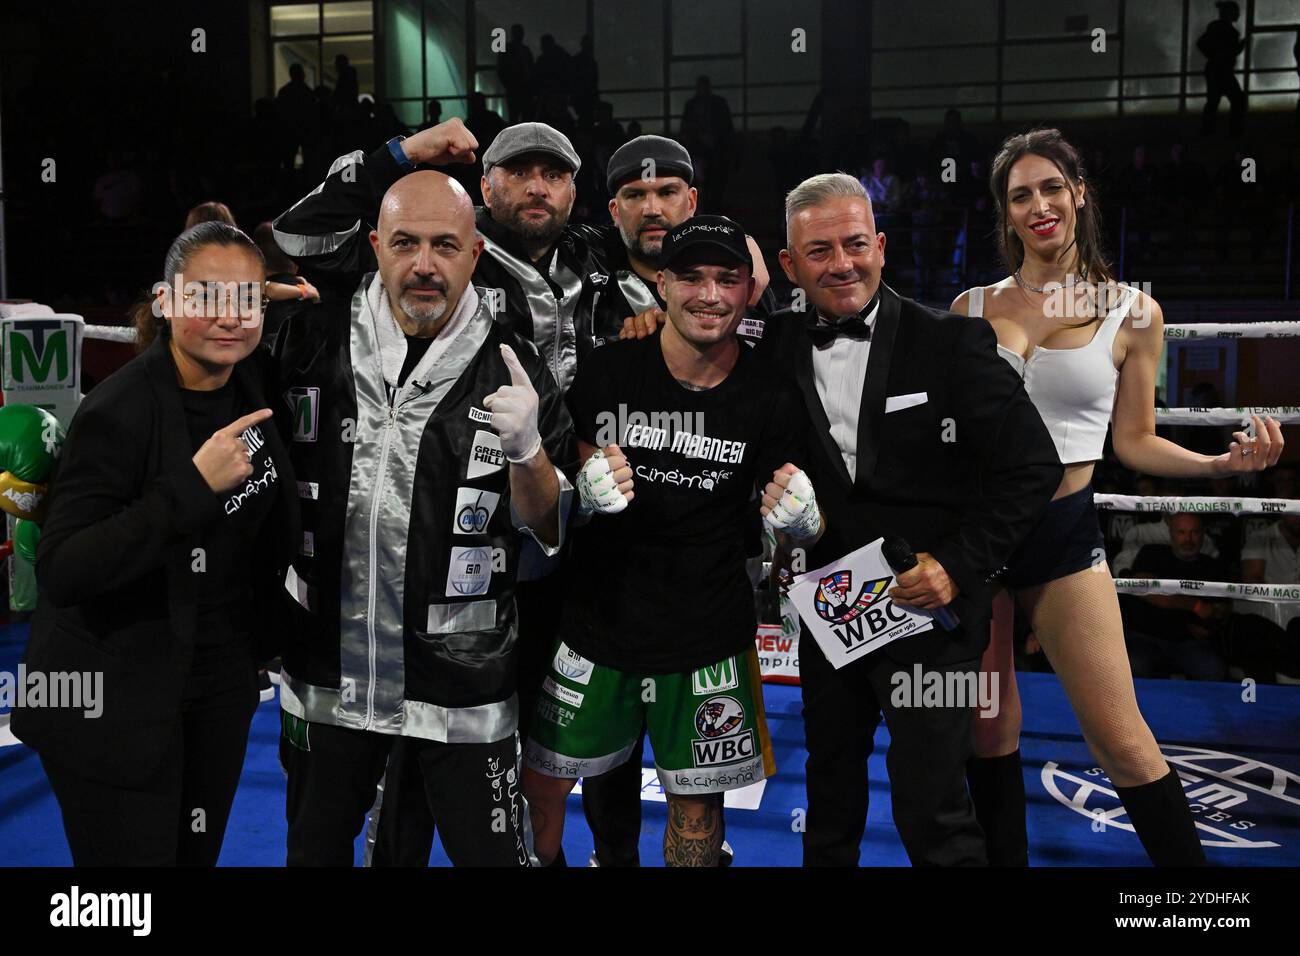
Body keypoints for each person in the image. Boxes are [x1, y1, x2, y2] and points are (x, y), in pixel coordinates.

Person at [952, 127, 1285, 866]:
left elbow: (1132, 443)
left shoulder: (1133, 311)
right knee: (986, 730)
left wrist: (1219, 465)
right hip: (977, 539)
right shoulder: (969, 308)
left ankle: (1196, 910)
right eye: (1019, 195)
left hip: (1063, 535)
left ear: (1078, 195)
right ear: (1005, 214)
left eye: (1049, 188)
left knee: (1123, 740)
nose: (1038, 205)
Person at [269, 122, 576, 867]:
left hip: (462, 679)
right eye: (405, 243)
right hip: (325, 669)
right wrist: (403, 154)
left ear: (476, 254)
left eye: (445, 246)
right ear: (375, 247)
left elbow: (552, 526)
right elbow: (288, 233)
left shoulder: (514, 364)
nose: (425, 265)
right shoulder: (311, 337)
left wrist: (529, 452)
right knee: (314, 853)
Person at [761, 173, 1063, 866]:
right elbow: (697, 336)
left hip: (933, 618)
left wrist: (957, 567)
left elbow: (1033, 468)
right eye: (819, 251)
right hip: (831, 608)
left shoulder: (951, 341)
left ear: (882, 246)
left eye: (856, 243)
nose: (841, 263)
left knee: (933, 805)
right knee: (829, 795)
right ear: (789, 265)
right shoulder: (771, 345)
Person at [523, 216, 818, 866]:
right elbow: (563, 479)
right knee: (540, 793)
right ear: (663, 283)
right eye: (691, 276)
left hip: (707, 632)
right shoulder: (611, 370)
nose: (709, 294)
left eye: (726, 278)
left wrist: (801, 528)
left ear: (749, 291)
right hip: (599, 621)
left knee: (697, 814)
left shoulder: (771, 395)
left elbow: (787, 507)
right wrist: (583, 490)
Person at [13, 221, 300, 865]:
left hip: (217, 683)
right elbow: (64, 568)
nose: (228, 316)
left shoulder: (250, 376)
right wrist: (191, 489)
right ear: (166, 302)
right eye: (205, 296)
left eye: (245, 299)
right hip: (112, 695)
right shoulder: (118, 411)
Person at [1121, 514, 1230, 681]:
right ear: (1170, 533)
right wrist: (1195, 605)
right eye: (1181, 532)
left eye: (1194, 532)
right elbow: (1146, 589)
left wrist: (1209, 625)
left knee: (1213, 669)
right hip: (1144, 637)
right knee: (1135, 664)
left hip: (1187, 642)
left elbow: (1221, 609)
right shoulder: (1152, 553)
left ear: (1203, 534)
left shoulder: (1213, 566)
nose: (1188, 539)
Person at [1197, 1, 1247, 137]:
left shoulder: (1217, 27)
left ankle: (1207, 132)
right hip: (1222, 70)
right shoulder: (1226, 30)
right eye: (1236, 12)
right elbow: (1230, 51)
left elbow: (1201, 43)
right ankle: (1234, 131)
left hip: (1215, 69)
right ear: (1229, 13)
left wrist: (1214, 55)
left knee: (1214, 101)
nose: (1238, 14)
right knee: (1237, 100)